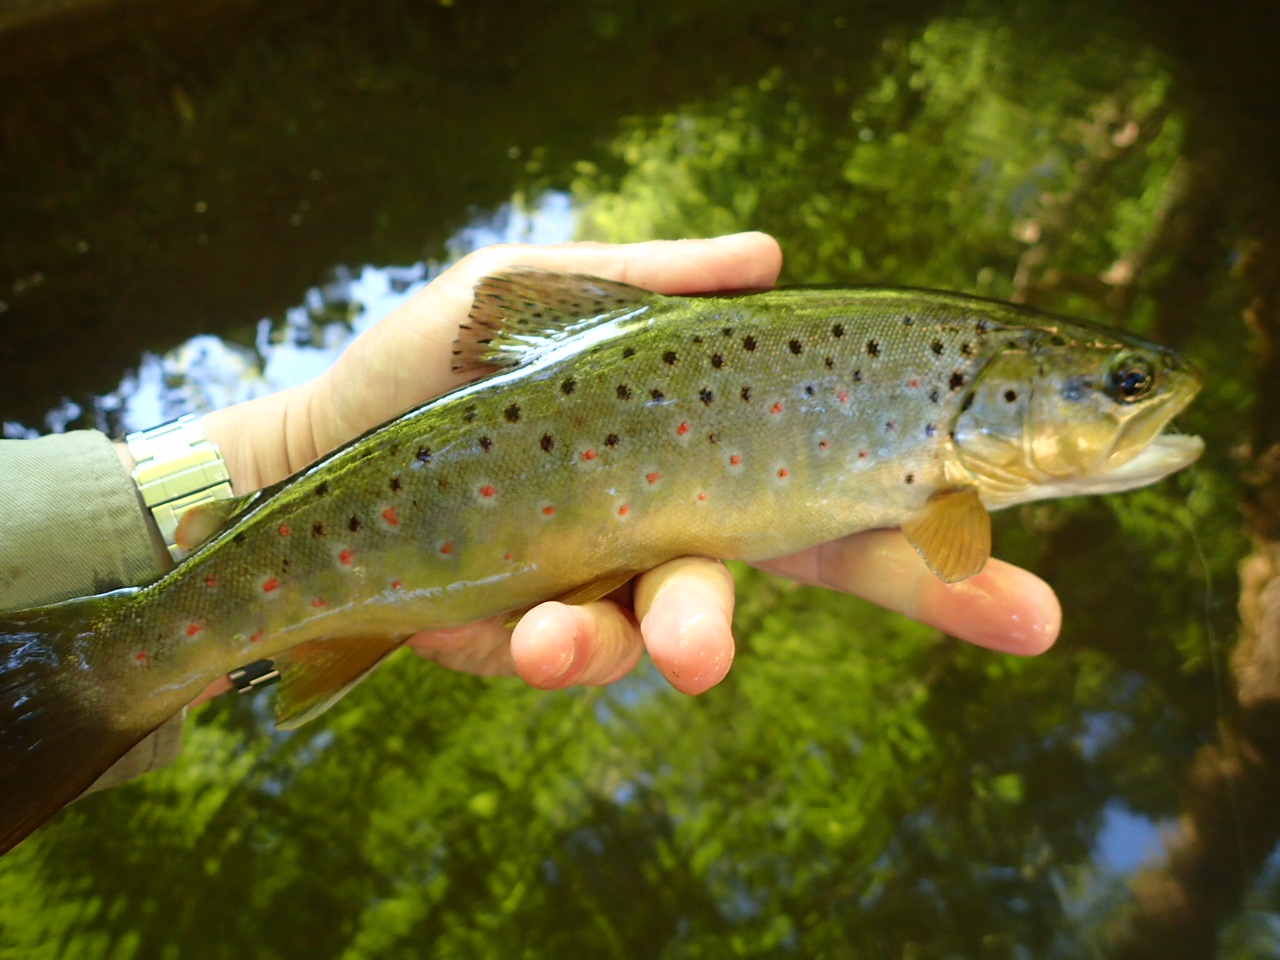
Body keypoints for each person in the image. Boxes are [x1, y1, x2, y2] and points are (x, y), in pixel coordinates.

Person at [1, 232, 1060, 784]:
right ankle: (103, 670)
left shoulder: (937, 427)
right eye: (1119, 391)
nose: (1136, 411)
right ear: (995, 396)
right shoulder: (939, 452)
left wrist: (278, 448)